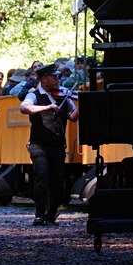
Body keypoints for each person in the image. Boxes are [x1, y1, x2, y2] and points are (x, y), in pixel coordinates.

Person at [18, 68, 78, 226]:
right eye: (54, 77)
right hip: (39, 144)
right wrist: (46, 107)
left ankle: (51, 215)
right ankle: (39, 215)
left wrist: (82, 105)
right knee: (41, 175)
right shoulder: (34, 95)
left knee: (57, 181)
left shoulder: (64, 96)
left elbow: (73, 117)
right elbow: (24, 108)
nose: (58, 80)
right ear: (44, 78)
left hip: (58, 145)